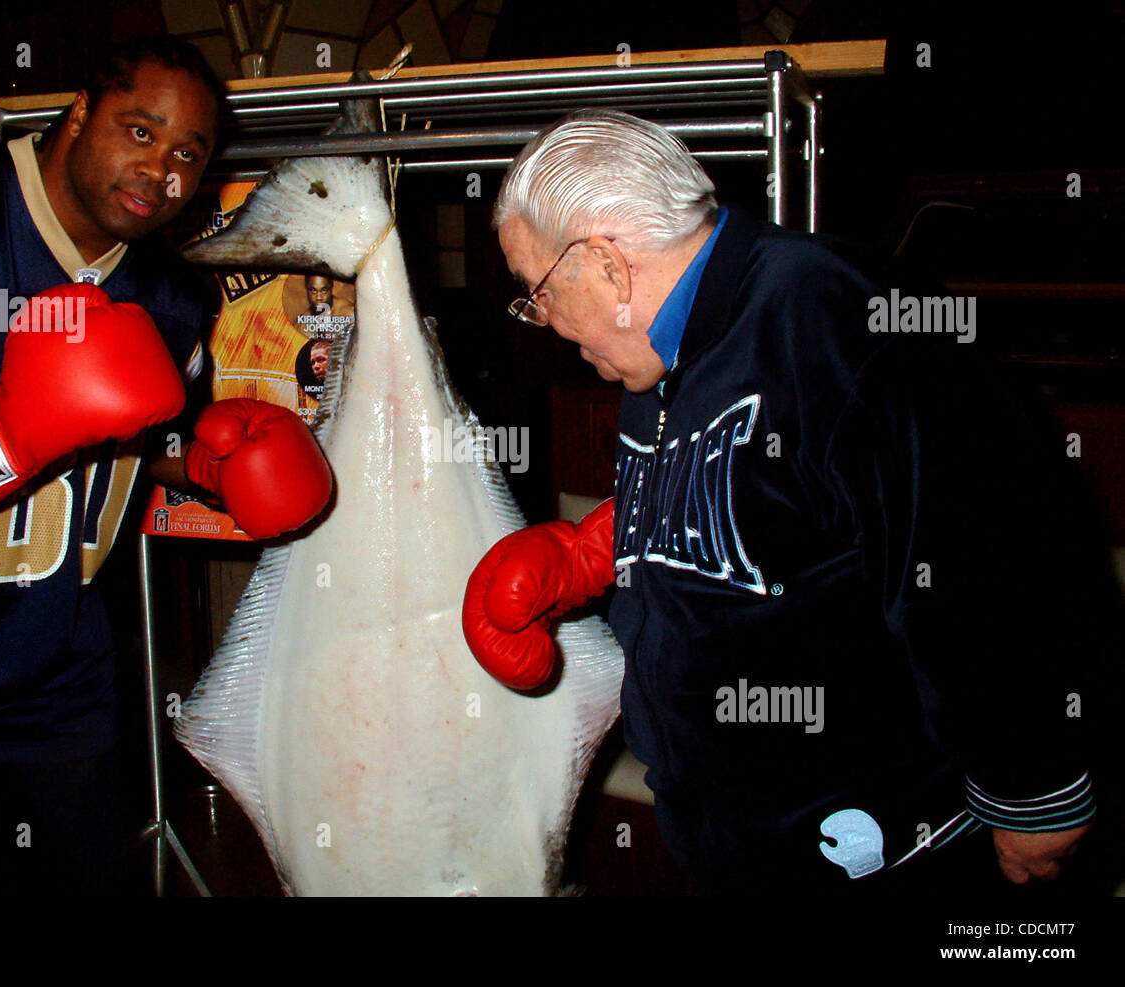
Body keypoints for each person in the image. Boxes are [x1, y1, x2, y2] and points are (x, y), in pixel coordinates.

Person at [463, 108, 1121, 894]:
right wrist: (586, 558)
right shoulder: (659, 355)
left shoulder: (835, 313)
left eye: (537, 292)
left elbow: (989, 547)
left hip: (893, 848)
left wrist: (1034, 787)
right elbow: (753, 526)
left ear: (606, 261)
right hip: (746, 846)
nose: (542, 323)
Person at [0, 36, 332, 895]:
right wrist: (11, 428)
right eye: (140, 131)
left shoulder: (169, 296)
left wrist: (207, 465)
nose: (161, 171)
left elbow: (126, 440)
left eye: (186, 155)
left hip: (63, 699)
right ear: (79, 115)